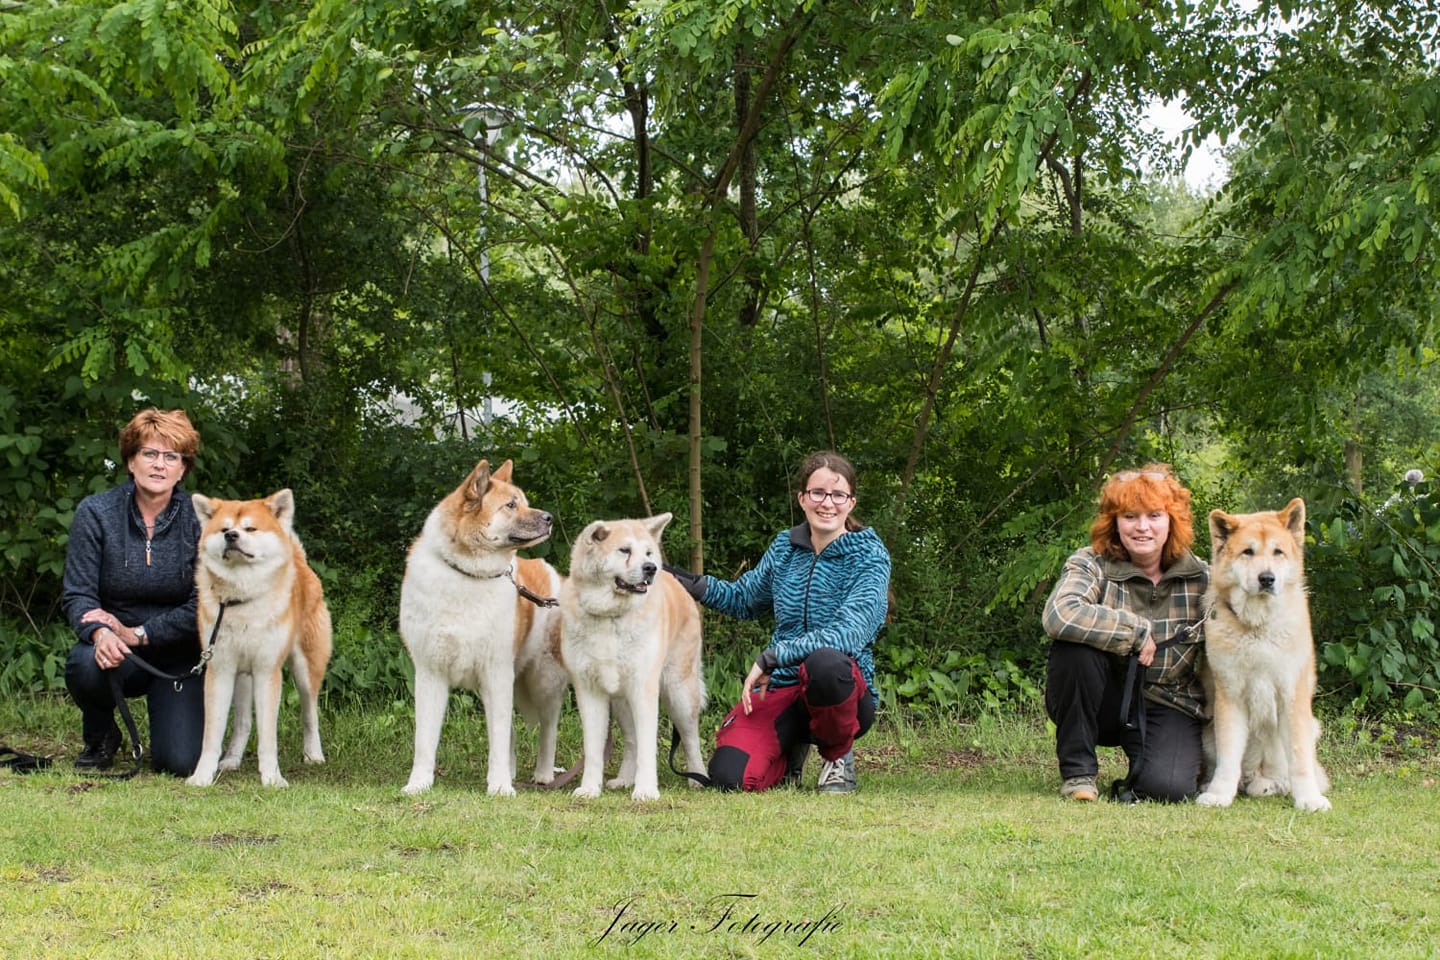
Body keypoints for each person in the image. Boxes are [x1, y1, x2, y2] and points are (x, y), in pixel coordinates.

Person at [666, 451, 891, 793]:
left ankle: (837, 759)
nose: (827, 503)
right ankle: (788, 756)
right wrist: (683, 581)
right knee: (730, 778)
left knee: (826, 662)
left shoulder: (870, 556)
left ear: (850, 502)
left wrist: (774, 656)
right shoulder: (784, 548)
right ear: (802, 498)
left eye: (838, 495)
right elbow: (744, 599)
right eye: (817, 493)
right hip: (781, 688)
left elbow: (849, 633)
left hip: (842, 691)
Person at [1042, 463, 1208, 803]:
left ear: (1172, 520)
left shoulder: (1204, 577)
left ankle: (1154, 768)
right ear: (1114, 523)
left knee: (1168, 790)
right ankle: (1079, 775)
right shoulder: (1091, 562)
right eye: (1130, 516)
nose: (1142, 527)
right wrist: (1133, 631)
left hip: (1167, 700)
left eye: (1154, 515)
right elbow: (1059, 614)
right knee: (1074, 650)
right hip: (1104, 696)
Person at [61, 408, 205, 775]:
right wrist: (101, 632)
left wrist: (141, 633)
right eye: (149, 454)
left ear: (183, 468)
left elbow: (205, 604)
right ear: (130, 461)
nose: (160, 465)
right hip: (117, 651)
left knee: (179, 764)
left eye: (172, 456)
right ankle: (101, 735)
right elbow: (78, 595)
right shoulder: (95, 513)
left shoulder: (201, 519)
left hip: (177, 655)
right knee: (84, 663)